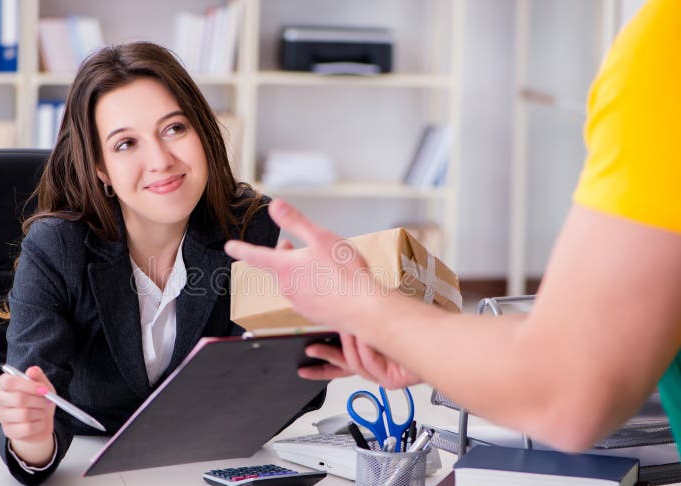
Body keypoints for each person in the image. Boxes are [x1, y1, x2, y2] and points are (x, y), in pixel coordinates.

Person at [225, 0, 681, 455]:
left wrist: (358, 303)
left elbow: (568, 388)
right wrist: (425, 346)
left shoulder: (665, 45)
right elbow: (620, 352)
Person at [0, 42, 323, 486]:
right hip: (91, 477)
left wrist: (299, 340)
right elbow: (36, 397)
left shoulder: (248, 226)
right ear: (100, 169)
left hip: (207, 474)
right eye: (125, 143)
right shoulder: (57, 247)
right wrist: (32, 438)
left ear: (202, 132)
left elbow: (287, 395)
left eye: (174, 129)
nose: (161, 161)